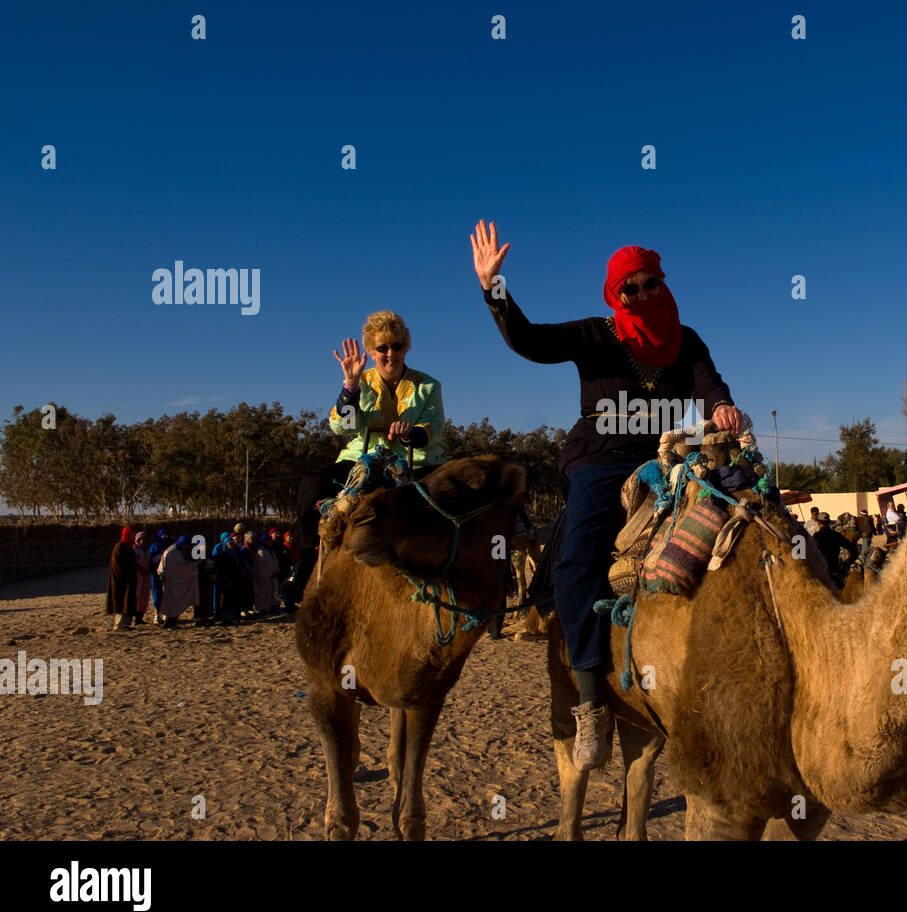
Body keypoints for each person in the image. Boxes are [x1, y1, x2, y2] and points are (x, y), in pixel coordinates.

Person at [472, 219, 746, 772]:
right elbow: (530, 340)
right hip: (600, 459)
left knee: (739, 514)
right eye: (631, 287)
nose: (642, 294)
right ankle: (591, 694)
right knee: (578, 557)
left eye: (650, 283)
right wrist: (493, 288)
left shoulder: (686, 339)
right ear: (614, 294)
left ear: (662, 283)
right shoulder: (596, 334)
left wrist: (721, 407)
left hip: (666, 456)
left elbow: (708, 383)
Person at [282, 310, 449, 609]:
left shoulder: (428, 386)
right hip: (364, 459)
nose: (390, 354)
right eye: (382, 348)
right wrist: (350, 385)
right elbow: (342, 427)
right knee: (310, 487)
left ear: (406, 347)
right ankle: (303, 566)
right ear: (371, 352)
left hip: (416, 462)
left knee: (459, 497)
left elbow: (434, 427)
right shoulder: (360, 382)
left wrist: (412, 433)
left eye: (396, 346)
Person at [157, 534, 200, 628]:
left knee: (174, 603)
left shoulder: (176, 551)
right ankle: (169, 623)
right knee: (173, 603)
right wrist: (195, 565)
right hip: (173, 582)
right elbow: (182, 567)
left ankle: (171, 623)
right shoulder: (172, 552)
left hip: (176, 581)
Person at [106, 526, 138, 631]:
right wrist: (127, 573)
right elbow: (117, 564)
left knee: (127, 602)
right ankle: (119, 625)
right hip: (121, 581)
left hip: (128, 580)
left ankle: (125, 624)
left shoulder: (128, 546)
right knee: (121, 601)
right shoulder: (120, 546)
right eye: (132, 534)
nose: (134, 536)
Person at [813, 513, 857, 586]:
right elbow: (852, 548)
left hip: (821, 572)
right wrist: (848, 562)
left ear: (819, 523)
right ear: (829, 522)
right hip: (835, 570)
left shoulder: (816, 536)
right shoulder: (836, 535)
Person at [147, 529, 172, 624]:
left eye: (166, 535)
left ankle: (166, 613)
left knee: (167, 593)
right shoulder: (154, 546)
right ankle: (157, 614)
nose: (165, 537)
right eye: (163, 535)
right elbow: (151, 559)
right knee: (157, 593)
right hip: (156, 573)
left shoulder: (170, 546)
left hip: (168, 573)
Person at [252, 533, 280, 615]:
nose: (270, 542)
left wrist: (276, 571)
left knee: (273, 593)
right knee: (263, 593)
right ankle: (263, 610)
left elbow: (274, 562)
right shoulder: (261, 551)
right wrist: (268, 574)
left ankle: (273, 607)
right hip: (265, 577)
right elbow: (261, 565)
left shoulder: (270, 550)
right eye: (269, 540)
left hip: (272, 576)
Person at [132, 530, 151, 626]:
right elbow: (133, 562)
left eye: (144, 539)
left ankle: (140, 617)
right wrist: (141, 570)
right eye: (141, 539)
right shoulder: (134, 550)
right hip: (138, 576)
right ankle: (135, 617)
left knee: (145, 595)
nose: (143, 541)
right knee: (138, 595)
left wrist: (148, 570)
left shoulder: (146, 550)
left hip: (146, 576)